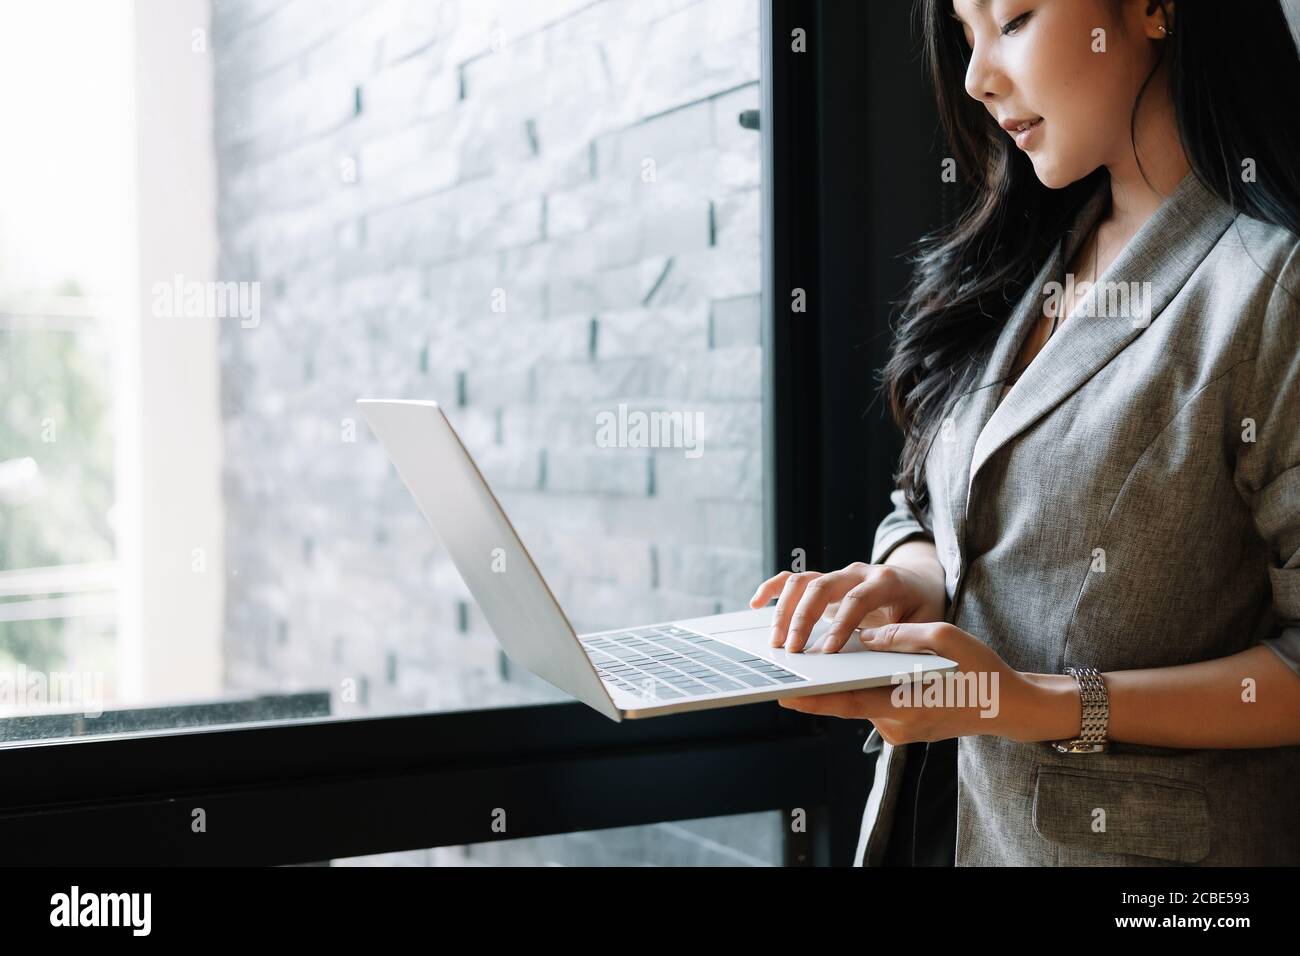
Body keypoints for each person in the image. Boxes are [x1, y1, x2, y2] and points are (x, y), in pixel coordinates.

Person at [750, 0, 1300, 866]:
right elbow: (926, 506)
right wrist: (914, 578)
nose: (976, 77)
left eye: (1013, 20)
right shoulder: (1027, 261)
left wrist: (1039, 703)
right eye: (965, 36)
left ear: (1155, 10)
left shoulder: (1269, 287)